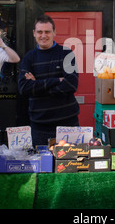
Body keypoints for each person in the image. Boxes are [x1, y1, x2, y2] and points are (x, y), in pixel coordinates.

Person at [18, 15, 80, 146]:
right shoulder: (29, 58)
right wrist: (57, 80)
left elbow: (71, 84)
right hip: (40, 126)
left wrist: (37, 85)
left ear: (54, 32)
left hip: (67, 124)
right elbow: (24, 87)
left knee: (71, 163)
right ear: (34, 33)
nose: (43, 35)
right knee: (42, 165)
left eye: (47, 32)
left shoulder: (66, 54)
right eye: (40, 32)